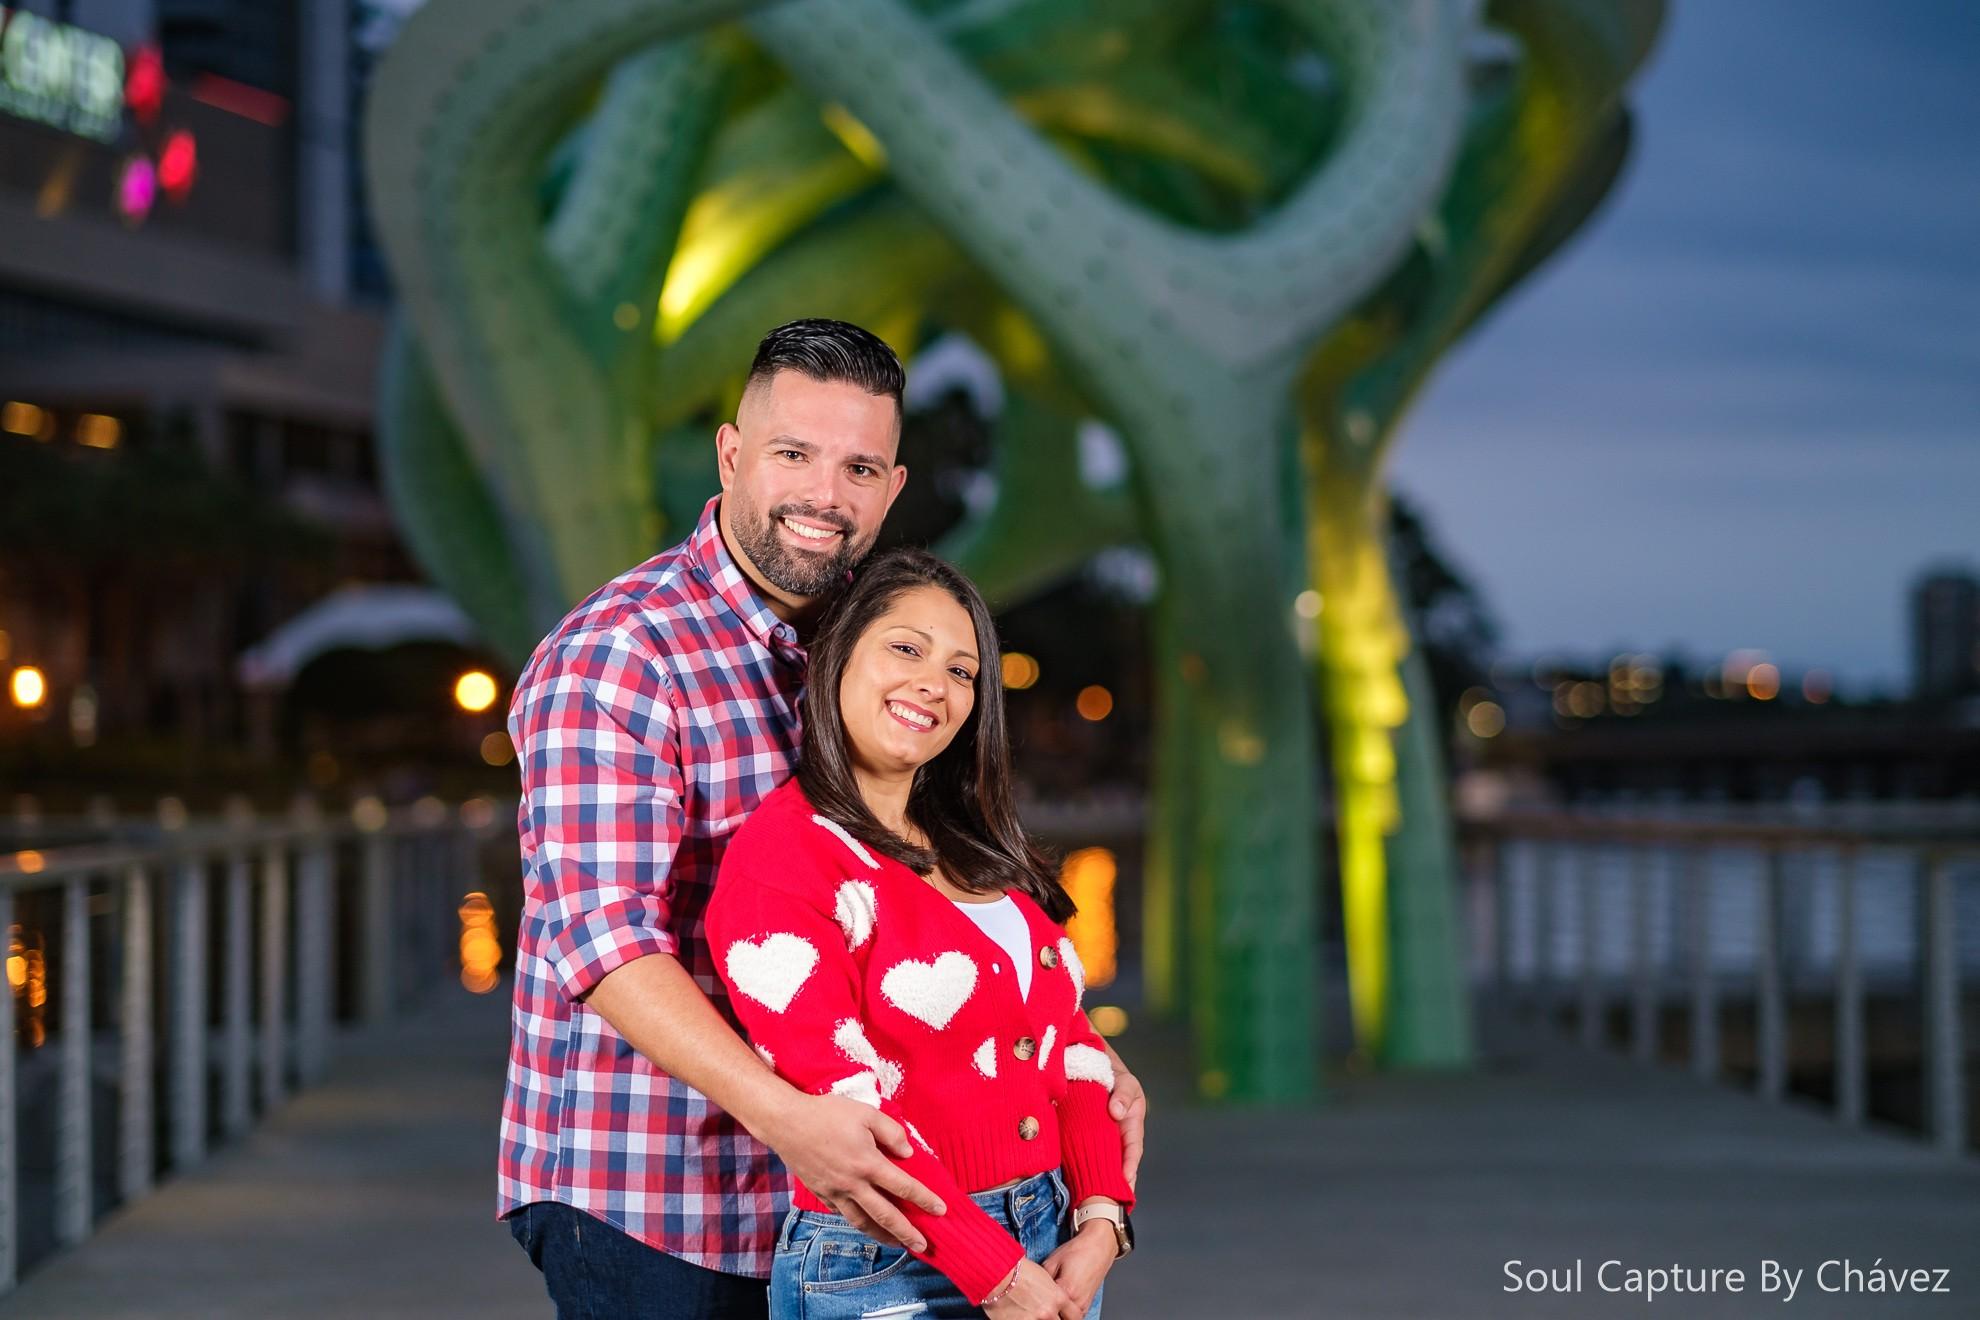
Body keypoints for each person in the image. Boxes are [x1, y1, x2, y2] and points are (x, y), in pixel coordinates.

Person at [497, 318, 1145, 1318]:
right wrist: (789, 1118)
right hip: (664, 1192)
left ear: (892, 488)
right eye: (794, 454)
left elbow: (938, 911)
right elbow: (602, 940)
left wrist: (1067, 1064)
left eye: (858, 467)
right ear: (732, 454)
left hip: (866, 1213)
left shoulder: (884, 647)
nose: (823, 495)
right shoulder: (620, 654)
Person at [707, 547, 1134, 1320]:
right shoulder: (783, 860)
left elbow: (1070, 1044)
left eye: (963, 671)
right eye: (906, 648)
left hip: (1054, 1239)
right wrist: (996, 1275)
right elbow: (843, 1116)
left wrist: (1103, 1216)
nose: (934, 684)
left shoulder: (973, 845)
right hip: (886, 1267)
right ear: (837, 657)